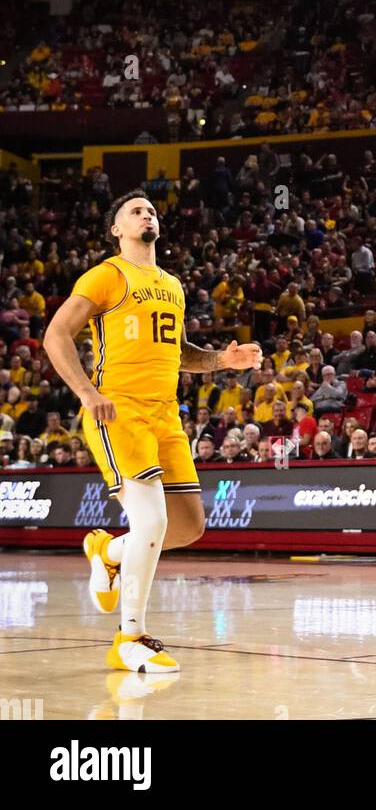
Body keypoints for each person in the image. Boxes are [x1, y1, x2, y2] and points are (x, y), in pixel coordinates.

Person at [43, 189, 261, 673]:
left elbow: (180, 352)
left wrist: (222, 360)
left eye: (152, 210)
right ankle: (130, 637)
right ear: (117, 229)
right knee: (153, 522)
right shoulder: (105, 275)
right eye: (136, 211)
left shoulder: (173, 284)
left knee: (187, 527)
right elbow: (56, 335)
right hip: (118, 411)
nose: (148, 214)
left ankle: (107, 551)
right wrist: (86, 392)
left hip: (166, 414)